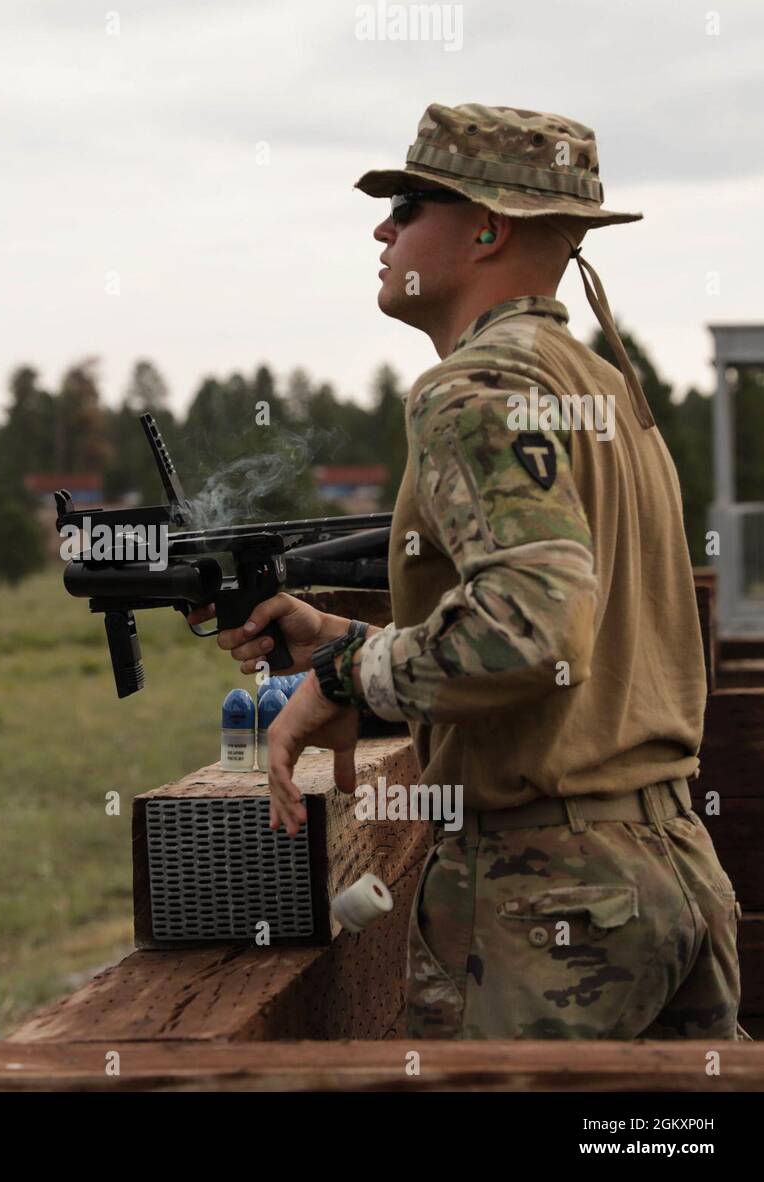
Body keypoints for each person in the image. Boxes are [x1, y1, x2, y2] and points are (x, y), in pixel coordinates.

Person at [189, 102, 744, 1040]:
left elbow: (532, 628)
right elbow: (573, 657)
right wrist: (344, 641)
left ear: (487, 226)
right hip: (677, 871)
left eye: (406, 205)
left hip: (547, 901)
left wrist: (339, 678)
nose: (382, 228)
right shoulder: (605, 389)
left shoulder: (473, 387)